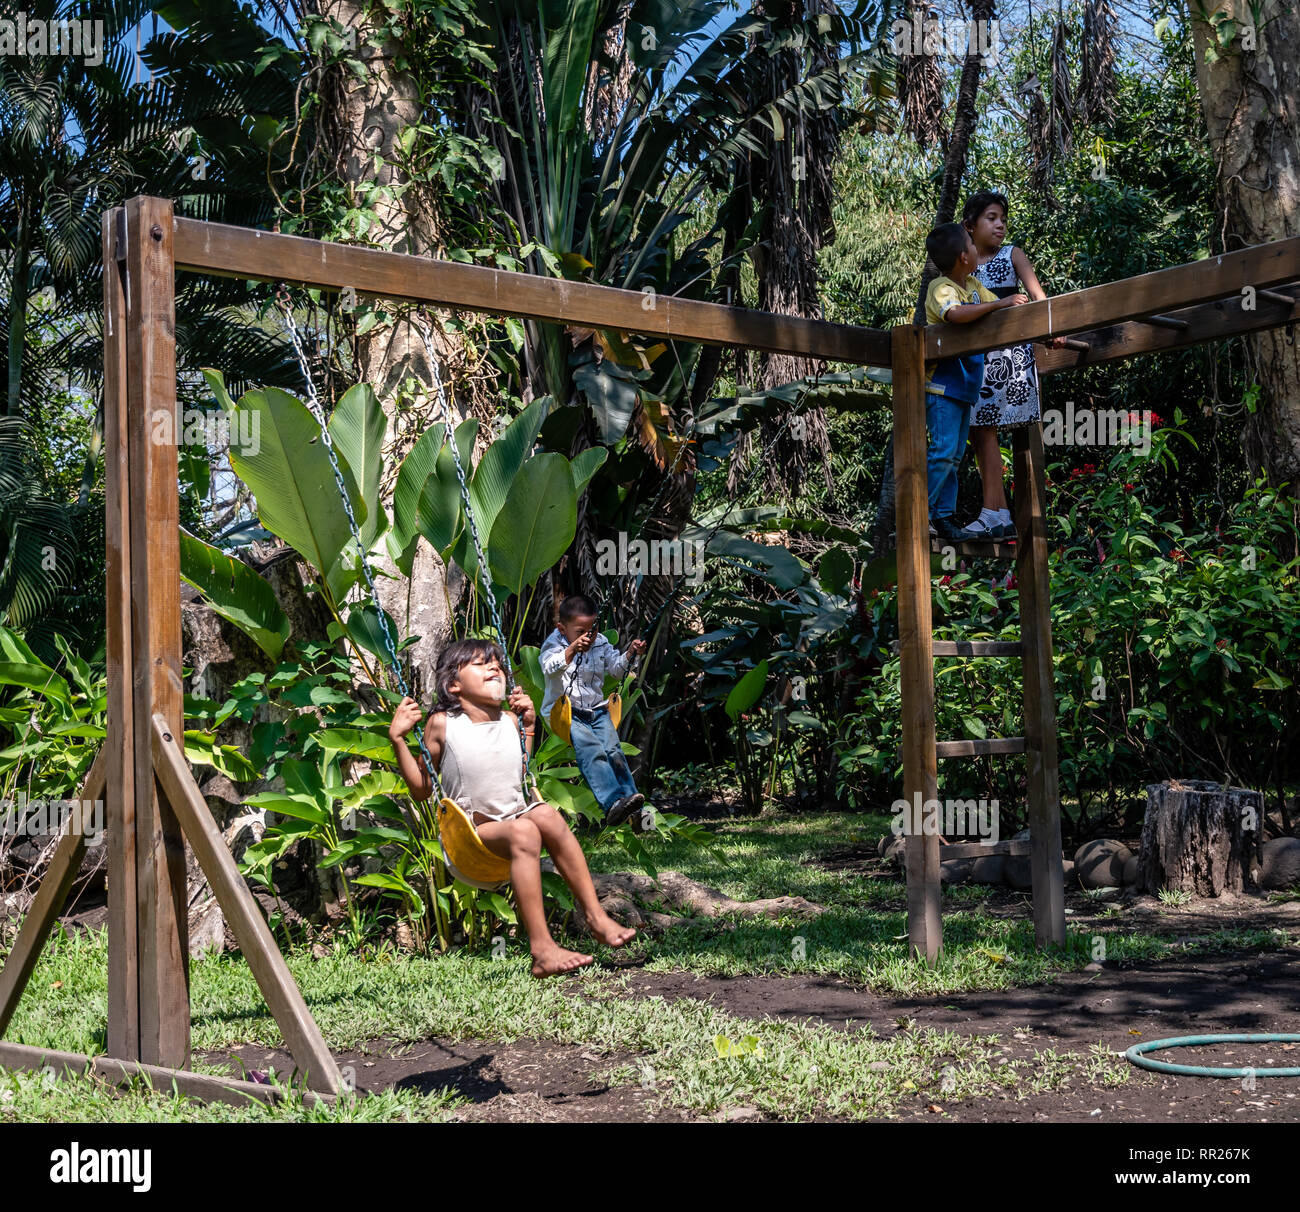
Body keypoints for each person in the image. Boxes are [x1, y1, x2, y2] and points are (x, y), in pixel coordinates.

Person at [388, 638, 636, 977]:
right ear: (453, 684)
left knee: (546, 814)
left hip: (515, 819)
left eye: (497, 664)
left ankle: (594, 914)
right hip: (472, 836)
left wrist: (529, 726)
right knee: (525, 829)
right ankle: (543, 950)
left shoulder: (510, 719)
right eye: (480, 663)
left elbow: (519, 771)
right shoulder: (444, 723)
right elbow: (421, 789)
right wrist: (399, 739)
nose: (494, 668)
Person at [960, 191, 1063, 539]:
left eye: (1002, 218)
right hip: (977, 362)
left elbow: (1039, 299)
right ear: (969, 226)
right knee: (979, 432)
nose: (1000, 224)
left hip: (1008, 359)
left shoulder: (1012, 255)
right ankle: (997, 512)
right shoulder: (964, 267)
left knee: (987, 431)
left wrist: (1052, 330)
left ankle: (998, 513)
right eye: (991, 217)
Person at [922, 221, 1028, 542]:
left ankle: (942, 517)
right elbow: (954, 315)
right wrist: (999, 303)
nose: (974, 248)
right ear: (963, 256)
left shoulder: (971, 285)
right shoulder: (942, 287)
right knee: (942, 451)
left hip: (964, 390)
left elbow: (997, 311)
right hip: (942, 387)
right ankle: (919, 511)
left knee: (954, 455)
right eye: (970, 244)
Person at [540, 595, 647, 827]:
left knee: (614, 751)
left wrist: (630, 655)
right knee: (592, 750)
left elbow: (617, 670)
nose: (589, 636)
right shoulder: (554, 644)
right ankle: (612, 803)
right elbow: (548, 668)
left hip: (597, 711)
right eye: (581, 631)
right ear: (562, 628)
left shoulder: (600, 643)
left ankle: (633, 806)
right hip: (566, 713)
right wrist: (571, 650)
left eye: (593, 629)